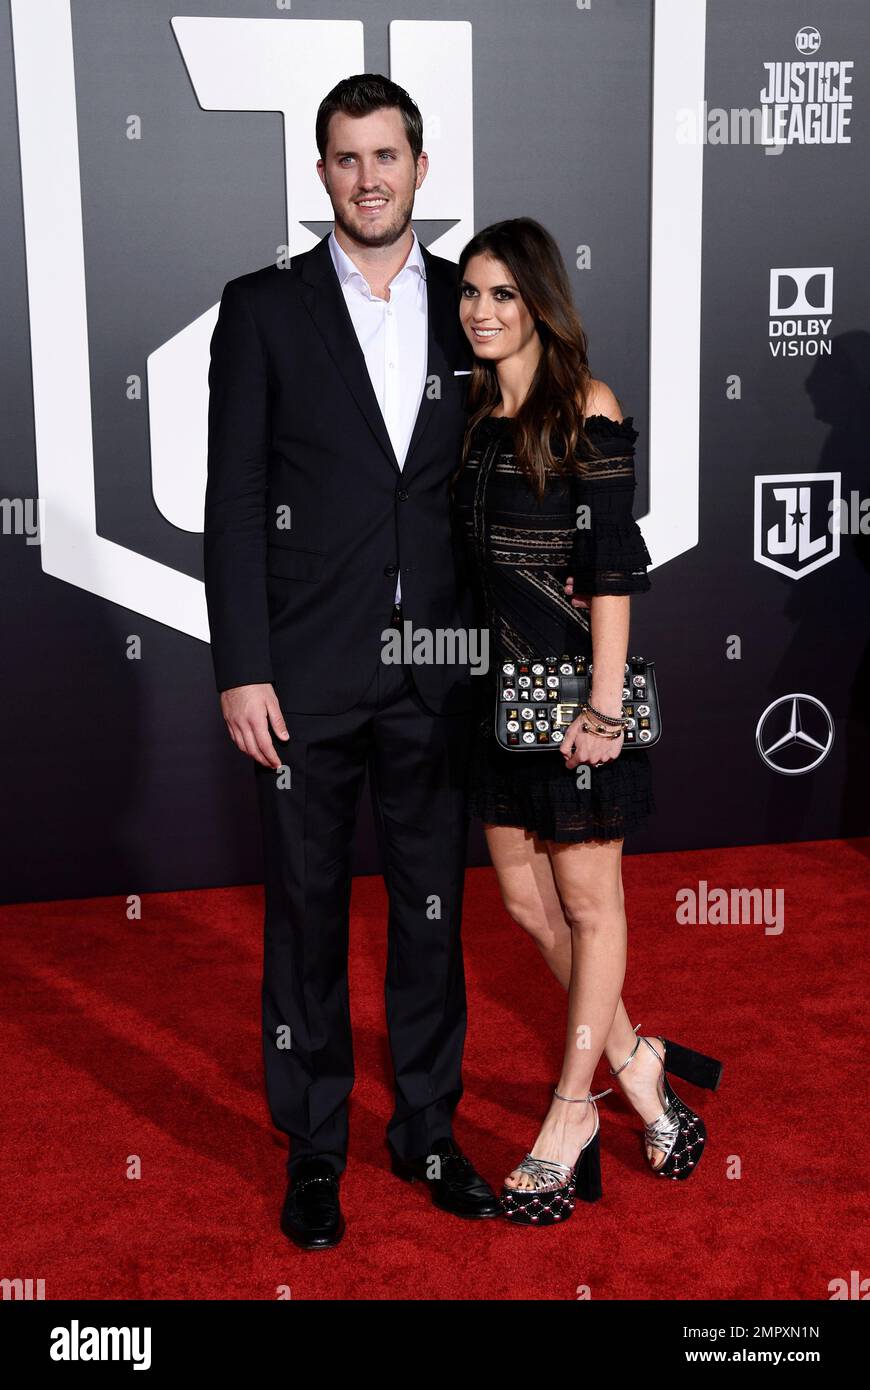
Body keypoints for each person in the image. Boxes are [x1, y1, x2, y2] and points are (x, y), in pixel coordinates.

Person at [203, 74, 501, 1249]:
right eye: (346, 158)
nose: (369, 177)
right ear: (320, 173)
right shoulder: (263, 308)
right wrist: (241, 664)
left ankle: (427, 1128)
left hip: (436, 664)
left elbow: (514, 470)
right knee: (306, 914)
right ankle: (314, 1146)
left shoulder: (476, 307)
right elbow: (234, 502)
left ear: (422, 170)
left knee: (433, 916)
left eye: (388, 156)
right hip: (306, 671)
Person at [451, 218, 722, 1225]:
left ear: (541, 303)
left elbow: (611, 569)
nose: (480, 311)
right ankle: (640, 1063)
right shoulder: (478, 412)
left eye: (502, 295)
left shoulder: (587, 409)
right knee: (527, 906)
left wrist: (603, 709)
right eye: (470, 293)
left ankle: (570, 1112)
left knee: (591, 904)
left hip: (575, 701)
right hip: (497, 697)